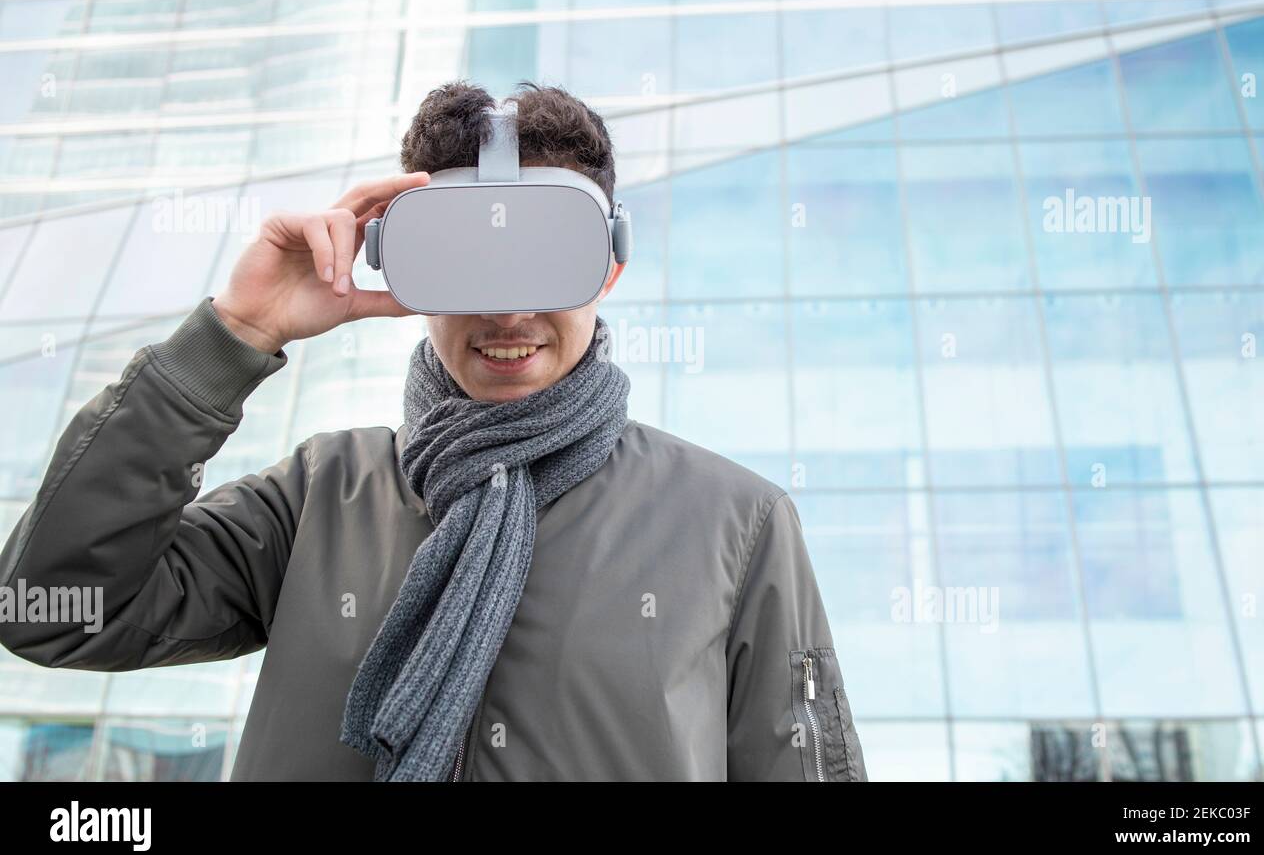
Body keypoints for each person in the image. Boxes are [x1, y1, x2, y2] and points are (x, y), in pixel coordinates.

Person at [0, 80, 866, 782]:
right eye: (466, 261)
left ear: (609, 266)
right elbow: (54, 610)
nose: (508, 308)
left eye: (546, 258)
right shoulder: (321, 499)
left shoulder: (734, 524)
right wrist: (236, 333)